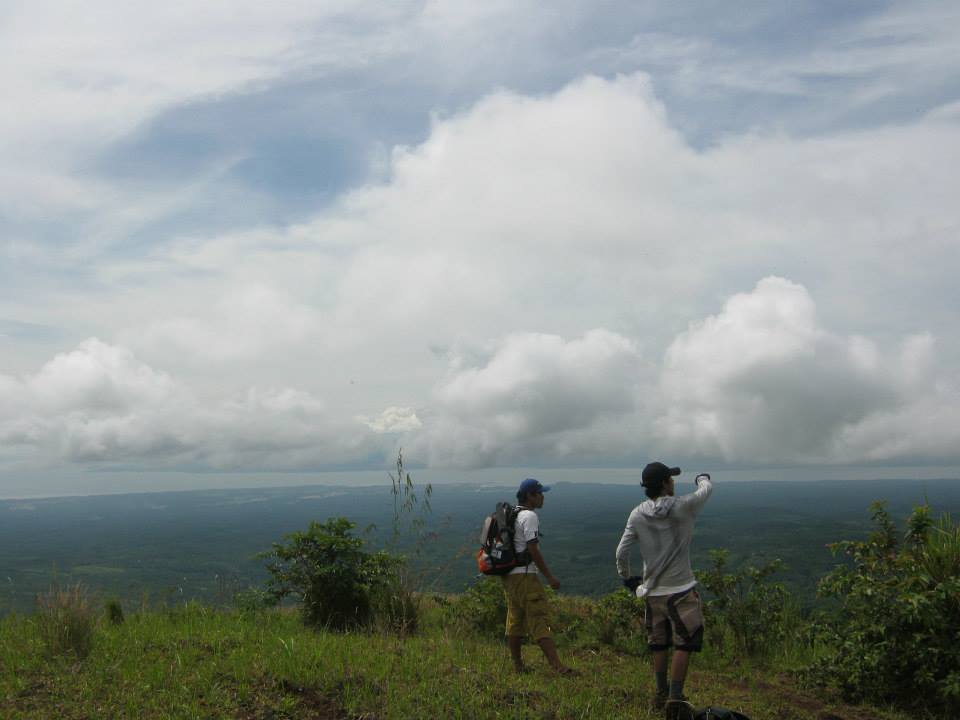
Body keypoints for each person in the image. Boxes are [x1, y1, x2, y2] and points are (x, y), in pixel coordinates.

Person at [615, 462, 713, 718]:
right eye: (670, 479)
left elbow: (621, 552)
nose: (673, 482)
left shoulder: (637, 514)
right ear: (664, 484)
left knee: (659, 644)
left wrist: (629, 580)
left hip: (652, 593)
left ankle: (660, 694)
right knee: (685, 643)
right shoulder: (683, 507)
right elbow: (706, 491)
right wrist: (702, 478)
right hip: (681, 590)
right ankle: (675, 698)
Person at [502, 477, 574, 675]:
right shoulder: (529, 516)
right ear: (529, 496)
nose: (543, 497)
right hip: (525, 576)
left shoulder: (513, 514)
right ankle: (558, 667)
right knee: (539, 617)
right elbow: (532, 548)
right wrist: (549, 577)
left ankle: (518, 666)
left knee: (515, 620)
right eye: (540, 494)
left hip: (509, 576)